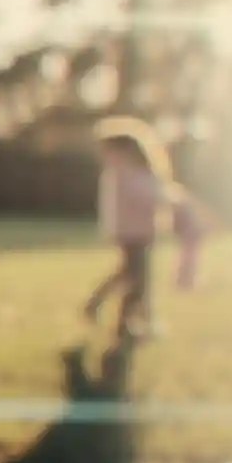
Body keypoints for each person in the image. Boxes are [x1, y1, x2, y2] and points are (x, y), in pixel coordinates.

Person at [84, 116, 172, 341]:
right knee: (137, 279)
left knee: (130, 275)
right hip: (134, 233)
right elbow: (151, 196)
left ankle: (112, 310)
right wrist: (170, 200)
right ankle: (127, 323)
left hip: (137, 232)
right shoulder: (127, 173)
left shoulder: (126, 172)